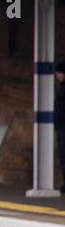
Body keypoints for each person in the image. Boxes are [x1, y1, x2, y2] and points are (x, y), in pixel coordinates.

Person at [54, 59, 65, 189]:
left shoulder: (62, 90)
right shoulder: (61, 88)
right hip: (61, 125)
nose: (57, 76)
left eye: (59, 73)